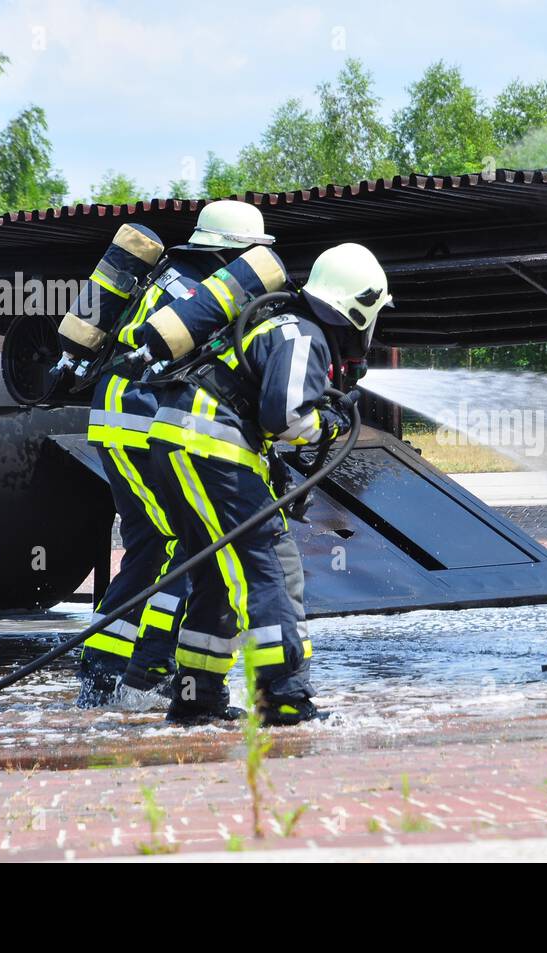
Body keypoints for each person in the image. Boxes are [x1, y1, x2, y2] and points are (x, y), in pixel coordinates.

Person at [145, 242, 392, 725]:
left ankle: (197, 698)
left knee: (216, 576)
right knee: (271, 567)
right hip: (209, 450)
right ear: (357, 308)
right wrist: (333, 422)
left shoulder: (276, 320)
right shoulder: (303, 334)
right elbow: (285, 419)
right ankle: (283, 697)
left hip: (177, 443)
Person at [57, 201, 286, 706]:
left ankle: (144, 664)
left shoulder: (171, 274)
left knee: (165, 543)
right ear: (237, 251)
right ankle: (111, 667)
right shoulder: (213, 293)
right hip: (139, 422)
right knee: (167, 542)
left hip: (123, 418)